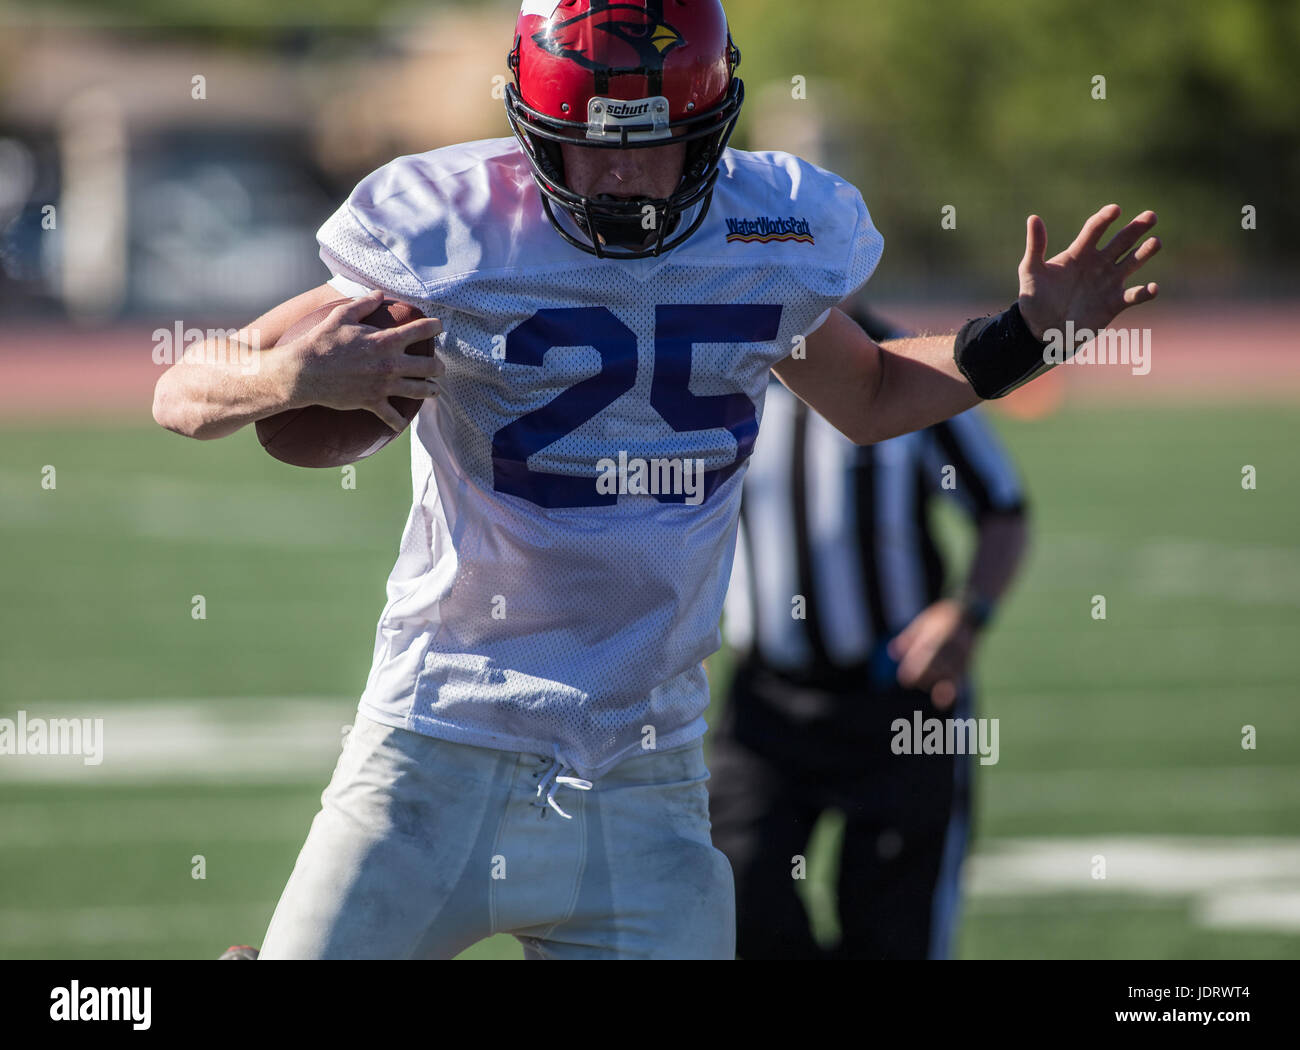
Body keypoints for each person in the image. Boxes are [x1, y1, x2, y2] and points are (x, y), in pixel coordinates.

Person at [152, 0, 1160, 959]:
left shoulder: (767, 230)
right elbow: (184, 392)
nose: (618, 174)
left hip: (644, 772)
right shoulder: (451, 228)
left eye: (648, 140)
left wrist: (1026, 337)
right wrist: (290, 375)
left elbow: (874, 395)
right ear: (529, 125)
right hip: (437, 747)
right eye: (587, 139)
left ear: (713, 121)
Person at [709, 300, 1029, 959]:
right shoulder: (720, 372)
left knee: (894, 931)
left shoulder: (909, 373)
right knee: (735, 898)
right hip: (765, 705)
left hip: (899, 698)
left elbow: (1001, 508)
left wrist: (968, 612)